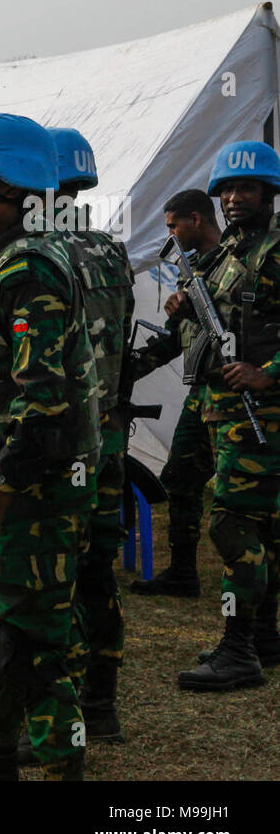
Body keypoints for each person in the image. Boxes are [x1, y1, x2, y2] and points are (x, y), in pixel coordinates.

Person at [0, 113, 99, 780]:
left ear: (10, 190)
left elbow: (43, 409)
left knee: (35, 653)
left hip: (29, 499)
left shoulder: (30, 267)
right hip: (1, 490)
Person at [174, 141, 280, 690]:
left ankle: (238, 650)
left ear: (269, 192)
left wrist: (269, 371)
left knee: (231, 522)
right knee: (263, 524)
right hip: (226, 407)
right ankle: (263, 638)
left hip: (261, 409)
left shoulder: (275, 248)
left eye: (248, 188)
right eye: (229, 190)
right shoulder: (233, 248)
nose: (236, 198)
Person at [45, 127, 135, 747]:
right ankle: (100, 706)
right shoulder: (110, 249)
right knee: (97, 572)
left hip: (60, 446)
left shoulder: (37, 255)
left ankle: (60, 714)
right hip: (108, 441)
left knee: (55, 579)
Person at [128, 189, 224, 598]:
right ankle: (183, 573)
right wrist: (126, 370)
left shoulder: (232, 265)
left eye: (173, 226)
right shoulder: (193, 270)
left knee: (247, 493)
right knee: (182, 480)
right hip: (203, 394)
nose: (170, 235)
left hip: (239, 394)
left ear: (196, 220)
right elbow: (175, 339)